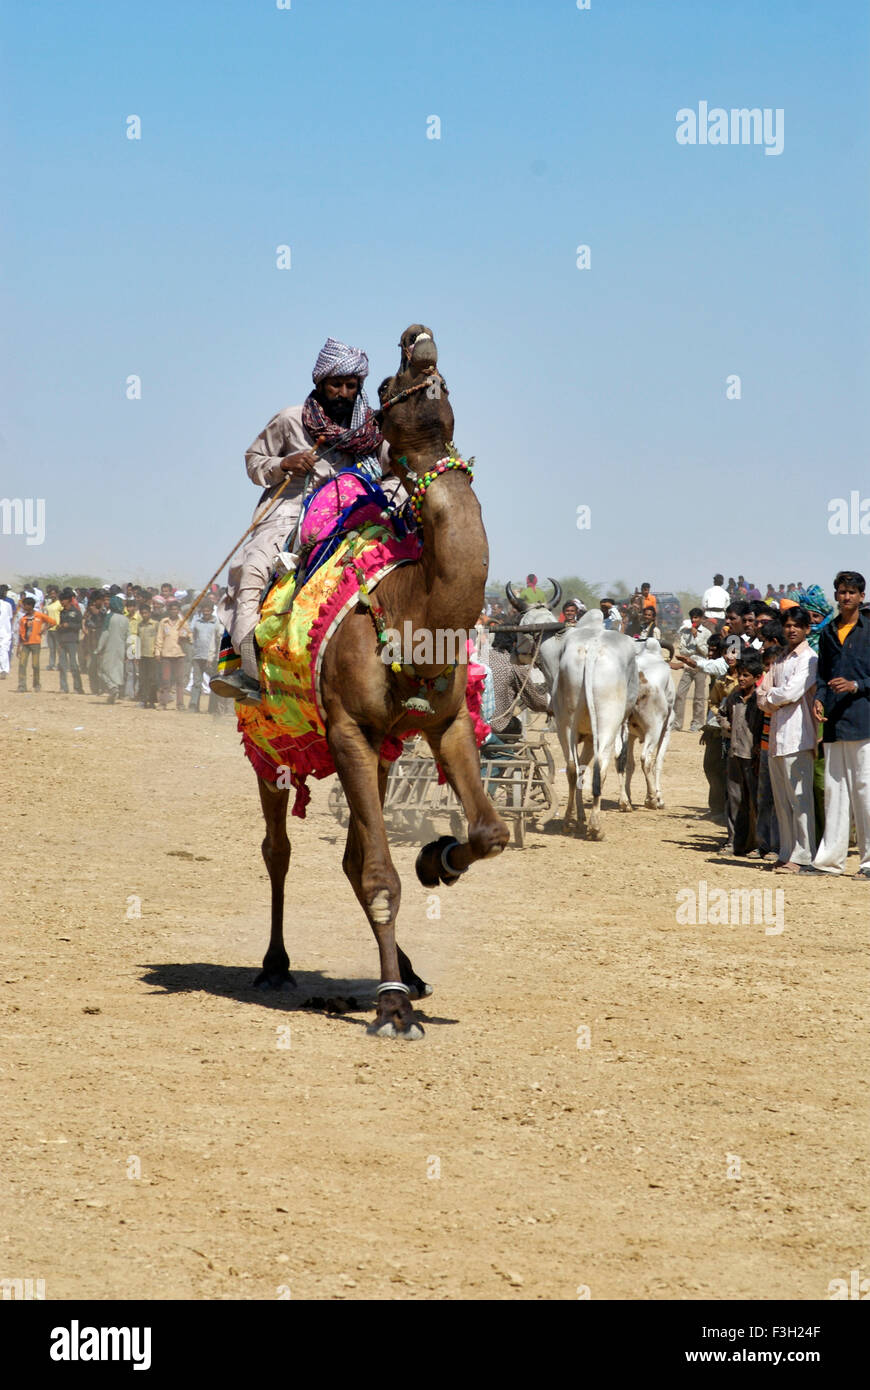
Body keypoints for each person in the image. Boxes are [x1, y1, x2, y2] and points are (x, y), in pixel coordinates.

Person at [213, 337, 399, 704]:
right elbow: (253, 461)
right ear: (319, 383)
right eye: (336, 384)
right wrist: (284, 464)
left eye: (352, 385)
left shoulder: (371, 431)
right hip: (288, 511)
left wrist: (382, 497)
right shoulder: (290, 420)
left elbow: (395, 473)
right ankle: (248, 668)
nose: (344, 393)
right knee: (252, 570)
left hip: (349, 517)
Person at [813, 571, 870, 879]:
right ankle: (829, 861)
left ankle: (869, 862)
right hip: (834, 722)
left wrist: (856, 685)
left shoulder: (869, 629)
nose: (846, 597)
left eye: (851, 592)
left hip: (864, 720)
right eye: (841, 592)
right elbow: (822, 675)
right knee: (835, 793)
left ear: (861, 596)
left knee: (866, 792)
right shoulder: (828, 632)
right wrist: (819, 698)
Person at [756, 608, 818, 873]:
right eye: (788, 625)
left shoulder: (809, 659)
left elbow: (792, 693)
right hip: (777, 736)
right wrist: (771, 699)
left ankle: (804, 855)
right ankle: (786, 852)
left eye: (797, 625)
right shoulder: (780, 658)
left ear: (806, 629)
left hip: (798, 735)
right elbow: (761, 692)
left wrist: (771, 699)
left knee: (800, 801)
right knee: (782, 800)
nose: (792, 629)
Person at [719, 652, 765, 855]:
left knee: (755, 801)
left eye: (746, 675)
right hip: (735, 754)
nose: (741, 679)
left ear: (756, 678)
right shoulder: (733, 697)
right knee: (734, 799)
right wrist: (727, 727)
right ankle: (733, 842)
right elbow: (721, 714)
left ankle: (758, 843)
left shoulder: (760, 699)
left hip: (753, 757)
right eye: (740, 675)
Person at [672, 608, 709, 731]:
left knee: (699, 696)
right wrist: (691, 651)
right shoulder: (685, 632)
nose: (694, 620)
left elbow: (705, 651)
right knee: (680, 694)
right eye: (692, 617)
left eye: (697, 617)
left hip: (701, 666)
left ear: (701, 619)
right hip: (688, 666)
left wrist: (696, 638)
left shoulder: (706, 633)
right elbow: (682, 650)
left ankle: (697, 724)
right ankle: (677, 723)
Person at [155, 599, 190, 710]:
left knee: (179, 681)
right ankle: (163, 703)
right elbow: (159, 638)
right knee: (165, 680)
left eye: (176, 609)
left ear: (179, 610)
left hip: (179, 654)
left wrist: (187, 637)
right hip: (166, 655)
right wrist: (157, 651)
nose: (174, 611)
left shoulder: (183, 622)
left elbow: (190, 635)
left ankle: (180, 704)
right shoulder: (164, 622)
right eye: (172, 609)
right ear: (169, 610)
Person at [16, 595, 56, 691]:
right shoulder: (23, 619)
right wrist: (18, 647)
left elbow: (53, 622)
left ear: (30, 606)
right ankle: (22, 685)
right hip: (25, 644)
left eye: (25, 605)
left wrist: (44, 629)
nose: (24, 607)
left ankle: (36, 684)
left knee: (35, 665)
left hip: (35, 643)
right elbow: (21, 634)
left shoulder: (39, 615)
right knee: (22, 664)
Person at [96, 594, 130, 704]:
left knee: (102, 669)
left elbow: (105, 633)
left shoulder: (109, 617)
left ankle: (112, 687)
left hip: (109, 647)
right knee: (117, 669)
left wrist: (99, 648)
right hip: (121, 648)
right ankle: (115, 688)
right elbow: (128, 636)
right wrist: (128, 650)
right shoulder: (125, 619)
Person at [188, 598, 221, 712]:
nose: (206, 613)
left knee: (213, 683)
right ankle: (193, 706)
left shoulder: (217, 623)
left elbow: (217, 641)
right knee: (197, 682)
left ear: (212, 611)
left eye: (208, 611)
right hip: (198, 656)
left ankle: (212, 708)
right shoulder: (197, 623)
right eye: (204, 610)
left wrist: (213, 657)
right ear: (201, 611)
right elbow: (193, 637)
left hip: (211, 659)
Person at [56, 588, 85, 693]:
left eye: (63, 600)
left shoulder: (76, 612)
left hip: (72, 641)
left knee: (73, 665)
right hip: (62, 641)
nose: (61, 602)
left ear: (68, 600)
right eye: (61, 600)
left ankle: (78, 688)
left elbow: (79, 626)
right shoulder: (62, 612)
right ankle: (64, 687)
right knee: (62, 666)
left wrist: (69, 625)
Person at [137, 601, 159, 708]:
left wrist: (158, 652)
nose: (144, 615)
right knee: (142, 679)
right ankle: (143, 700)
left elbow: (159, 639)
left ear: (150, 613)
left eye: (146, 613)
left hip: (152, 655)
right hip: (142, 655)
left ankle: (152, 700)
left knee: (152, 679)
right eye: (142, 613)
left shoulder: (155, 624)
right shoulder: (140, 625)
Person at [0, 585, 12, 679]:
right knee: (4, 650)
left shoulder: (7, 605)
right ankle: (3, 669)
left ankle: (3, 670)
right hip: (5, 631)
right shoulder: (7, 605)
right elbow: (10, 618)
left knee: (3, 650)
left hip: (4, 631)